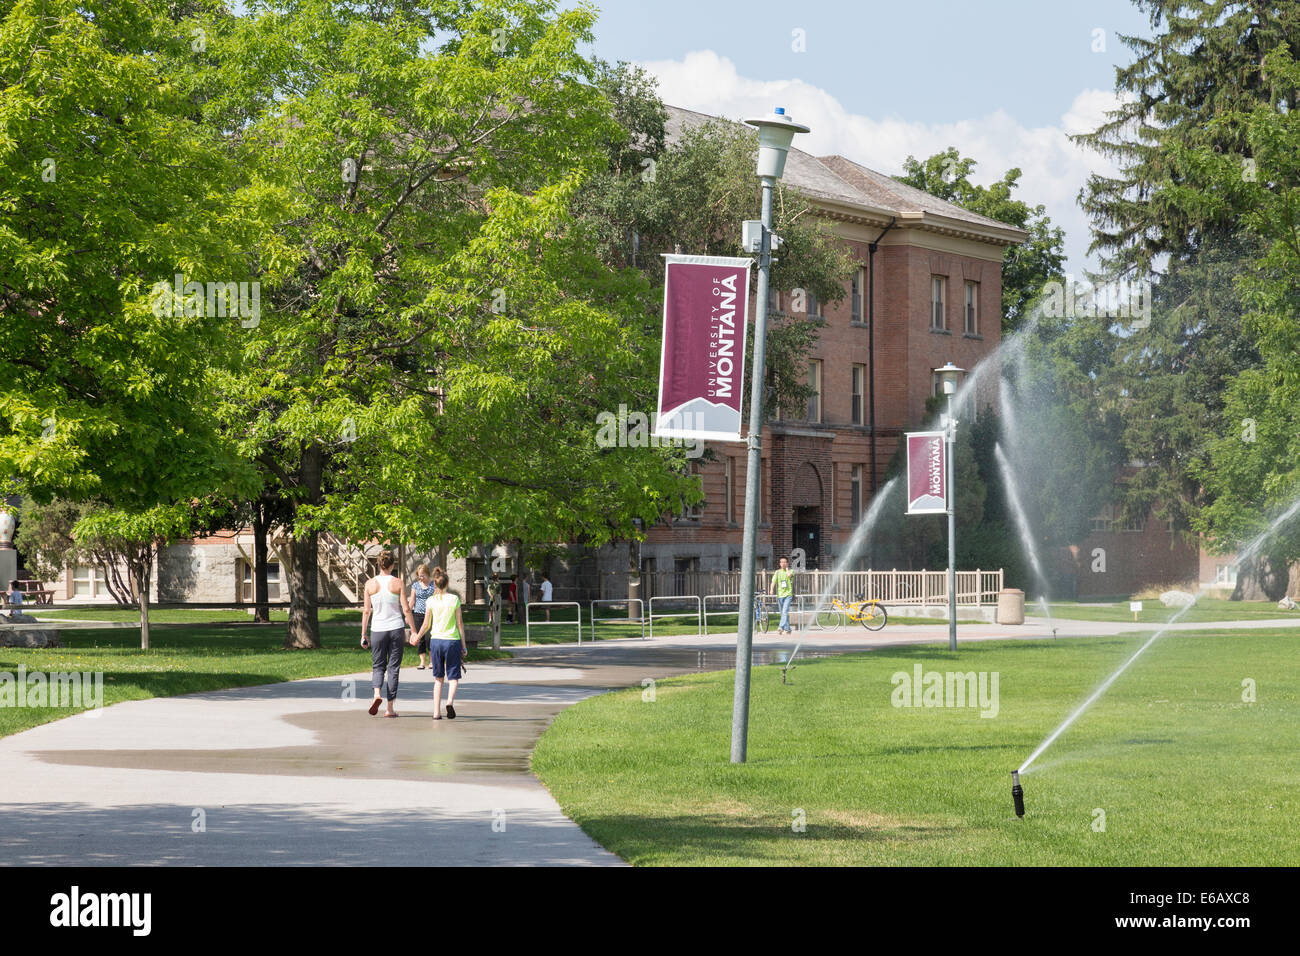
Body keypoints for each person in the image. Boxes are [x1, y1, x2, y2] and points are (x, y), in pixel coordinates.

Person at [360, 551, 418, 718]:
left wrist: (363, 634)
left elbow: (366, 611)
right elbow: (406, 609)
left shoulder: (369, 584)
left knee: (378, 666)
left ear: (379, 565)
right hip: (395, 629)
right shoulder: (398, 582)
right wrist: (413, 631)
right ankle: (390, 708)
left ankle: (376, 694)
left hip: (377, 629)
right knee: (393, 668)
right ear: (392, 565)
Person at [418, 566, 467, 719]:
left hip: (436, 641)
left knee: (438, 679)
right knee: (453, 678)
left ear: (435, 584)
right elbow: (459, 624)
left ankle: (436, 712)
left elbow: (426, 624)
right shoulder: (454, 599)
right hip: (452, 641)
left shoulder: (430, 600)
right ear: (447, 584)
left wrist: (417, 637)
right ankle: (450, 702)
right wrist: (464, 645)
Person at [410, 564, 436, 670]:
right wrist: (408, 614)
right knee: (420, 638)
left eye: (423, 575)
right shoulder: (415, 585)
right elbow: (412, 600)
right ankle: (422, 662)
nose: (421, 578)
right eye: (419, 576)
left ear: (427, 574)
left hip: (430, 614)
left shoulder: (433, 584)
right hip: (418, 613)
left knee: (429, 637)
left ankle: (431, 661)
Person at [770, 555, 795, 635]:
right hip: (780, 595)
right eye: (782, 562)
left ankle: (780, 627)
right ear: (780, 563)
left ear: (787, 563)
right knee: (783, 613)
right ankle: (788, 629)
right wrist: (771, 589)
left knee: (784, 611)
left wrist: (787, 569)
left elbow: (789, 576)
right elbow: (773, 582)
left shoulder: (791, 571)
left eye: (785, 562)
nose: (783, 563)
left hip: (788, 594)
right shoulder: (777, 572)